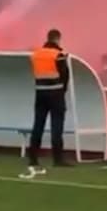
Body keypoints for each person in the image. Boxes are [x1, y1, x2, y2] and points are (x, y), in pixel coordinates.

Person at [22, 28, 70, 179]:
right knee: (57, 127)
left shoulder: (36, 54)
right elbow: (65, 75)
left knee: (38, 126)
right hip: (56, 94)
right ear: (57, 39)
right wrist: (63, 91)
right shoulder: (58, 55)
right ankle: (57, 159)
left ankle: (33, 158)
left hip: (40, 93)